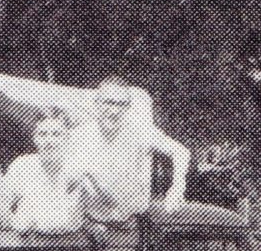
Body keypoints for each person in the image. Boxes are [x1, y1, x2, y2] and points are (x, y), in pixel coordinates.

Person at [68, 75, 191, 222]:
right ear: (97, 103)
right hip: (89, 224)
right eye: (109, 102)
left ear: (128, 106)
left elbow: (180, 152)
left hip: (131, 224)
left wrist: (177, 188)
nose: (114, 111)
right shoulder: (79, 135)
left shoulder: (140, 132)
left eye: (121, 104)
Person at [1, 108, 85, 235]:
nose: (49, 141)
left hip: (70, 244)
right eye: (42, 134)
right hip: (27, 243)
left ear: (67, 138)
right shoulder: (22, 167)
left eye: (56, 134)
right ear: (34, 138)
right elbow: (1, 210)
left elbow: (87, 217)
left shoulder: (78, 170)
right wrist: (16, 223)